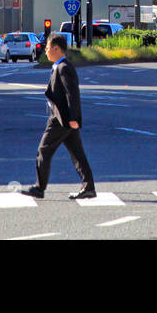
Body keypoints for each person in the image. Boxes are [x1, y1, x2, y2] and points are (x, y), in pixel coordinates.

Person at [23, 34, 96, 200]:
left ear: (57, 49)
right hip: (65, 119)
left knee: (44, 151)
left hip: (61, 120)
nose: (46, 51)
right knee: (77, 153)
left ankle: (39, 188)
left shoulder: (64, 68)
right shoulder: (61, 67)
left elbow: (72, 95)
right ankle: (88, 187)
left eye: (48, 48)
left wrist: (73, 118)